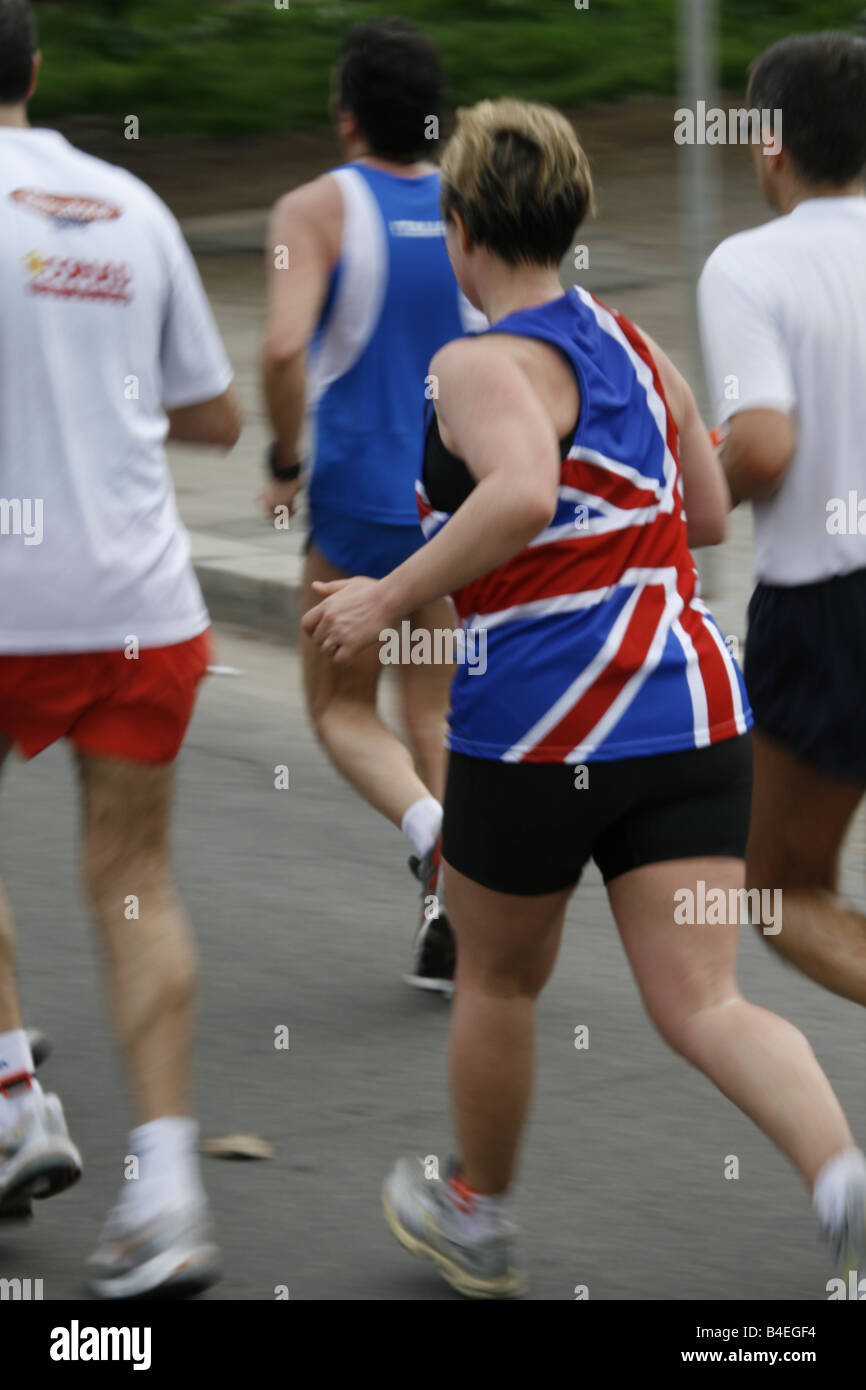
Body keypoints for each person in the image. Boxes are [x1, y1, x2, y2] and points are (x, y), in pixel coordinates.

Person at [304, 97, 866, 1298]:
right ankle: (842, 1186)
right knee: (704, 1002)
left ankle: (478, 1214)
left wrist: (378, 597)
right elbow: (707, 513)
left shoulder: (475, 364)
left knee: (500, 978)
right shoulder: (633, 344)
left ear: (460, 229)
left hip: (540, 721)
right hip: (692, 713)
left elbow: (513, 493)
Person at [0, 0, 241, 1296]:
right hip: (137, 601)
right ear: (34, 69)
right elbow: (211, 413)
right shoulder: (129, 206)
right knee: (135, 878)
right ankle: (169, 1196)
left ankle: (13, 1097)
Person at [261, 19, 485, 994]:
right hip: (452, 496)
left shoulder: (315, 209)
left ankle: (429, 834)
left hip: (354, 501)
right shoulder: (469, 203)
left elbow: (277, 349)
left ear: (345, 116)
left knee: (338, 706)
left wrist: (280, 457)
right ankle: (454, 908)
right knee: (429, 705)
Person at [698, 32, 866, 1007]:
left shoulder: (746, 267)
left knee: (781, 890)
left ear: (767, 142)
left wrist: (673, 508)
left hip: (826, 608)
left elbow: (760, 446)